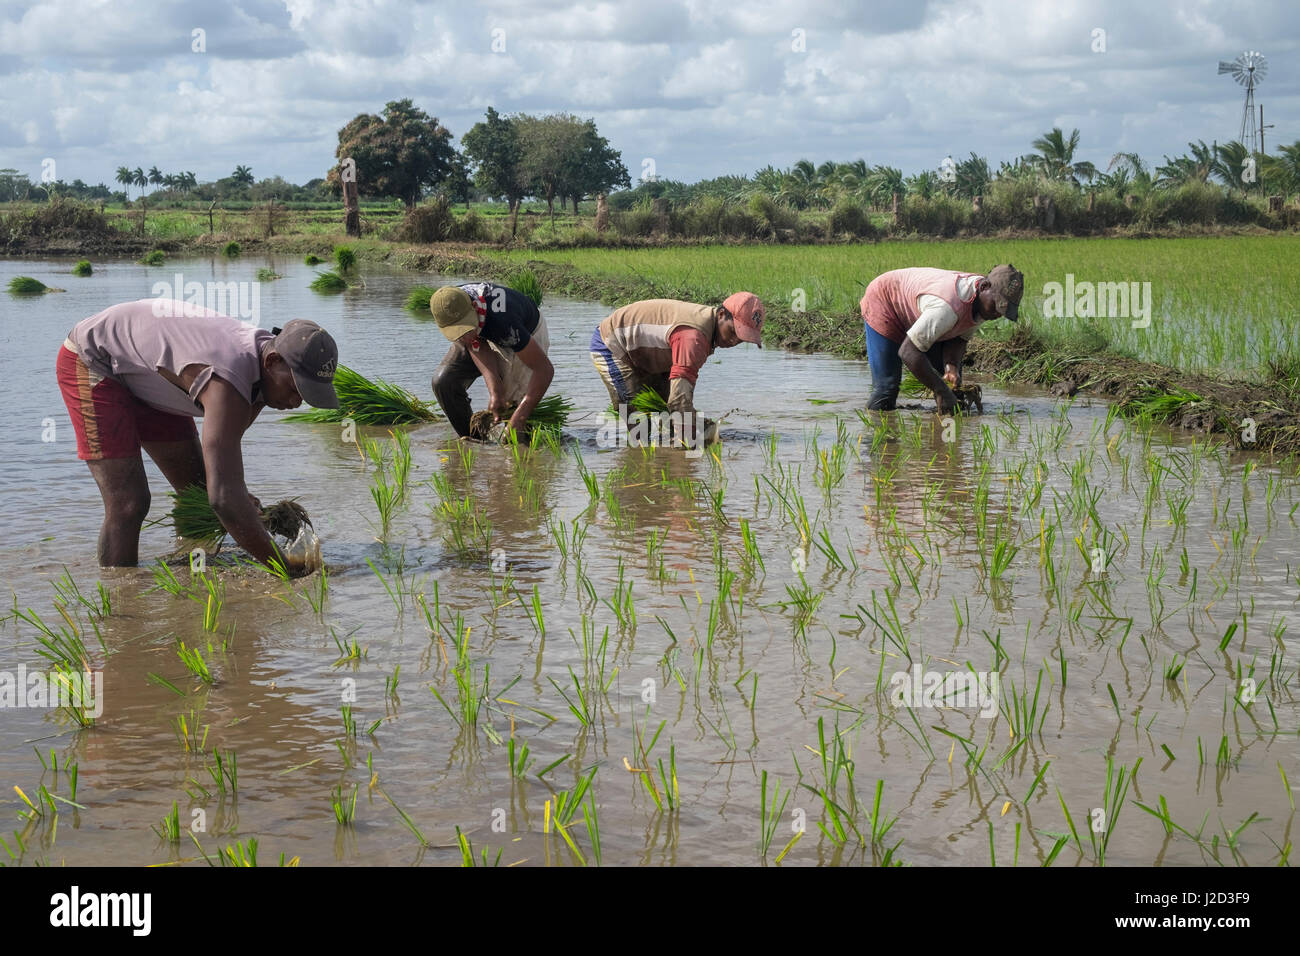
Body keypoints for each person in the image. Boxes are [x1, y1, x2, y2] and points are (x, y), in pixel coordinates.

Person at [57, 298, 339, 571]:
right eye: (295, 389)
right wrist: (285, 570)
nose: (295, 403)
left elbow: (223, 476)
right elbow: (224, 500)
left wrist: (243, 500)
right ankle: (120, 595)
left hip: (148, 375)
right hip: (94, 359)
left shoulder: (265, 376)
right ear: (273, 361)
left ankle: (188, 567)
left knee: (197, 490)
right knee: (130, 502)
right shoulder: (228, 377)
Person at [590, 293, 764, 447]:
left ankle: (665, 455)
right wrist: (691, 446)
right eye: (733, 332)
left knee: (665, 414)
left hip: (648, 354)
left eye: (741, 339)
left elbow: (676, 401)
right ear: (721, 315)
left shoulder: (706, 331)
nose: (734, 341)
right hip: (612, 345)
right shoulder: (693, 338)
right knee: (638, 419)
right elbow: (679, 401)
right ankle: (639, 464)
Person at [860, 265, 1024, 413]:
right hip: (885, 300)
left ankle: (940, 432)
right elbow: (908, 352)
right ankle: (876, 434)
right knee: (887, 388)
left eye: (1003, 310)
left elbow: (959, 338)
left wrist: (951, 366)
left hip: (921, 312)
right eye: (997, 305)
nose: (997, 314)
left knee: (951, 384)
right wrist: (941, 391)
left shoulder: (984, 305)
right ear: (984, 286)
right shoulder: (947, 307)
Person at [429, 282, 554, 440]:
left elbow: (544, 369)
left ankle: (524, 449)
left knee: (513, 412)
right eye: (457, 332)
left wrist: (520, 417)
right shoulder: (452, 303)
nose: (465, 337)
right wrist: (495, 390)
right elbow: (475, 343)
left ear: (474, 306)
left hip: (524, 335)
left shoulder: (505, 323)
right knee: (444, 381)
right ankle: (474, 440)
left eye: (466, 329)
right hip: (485, 327)